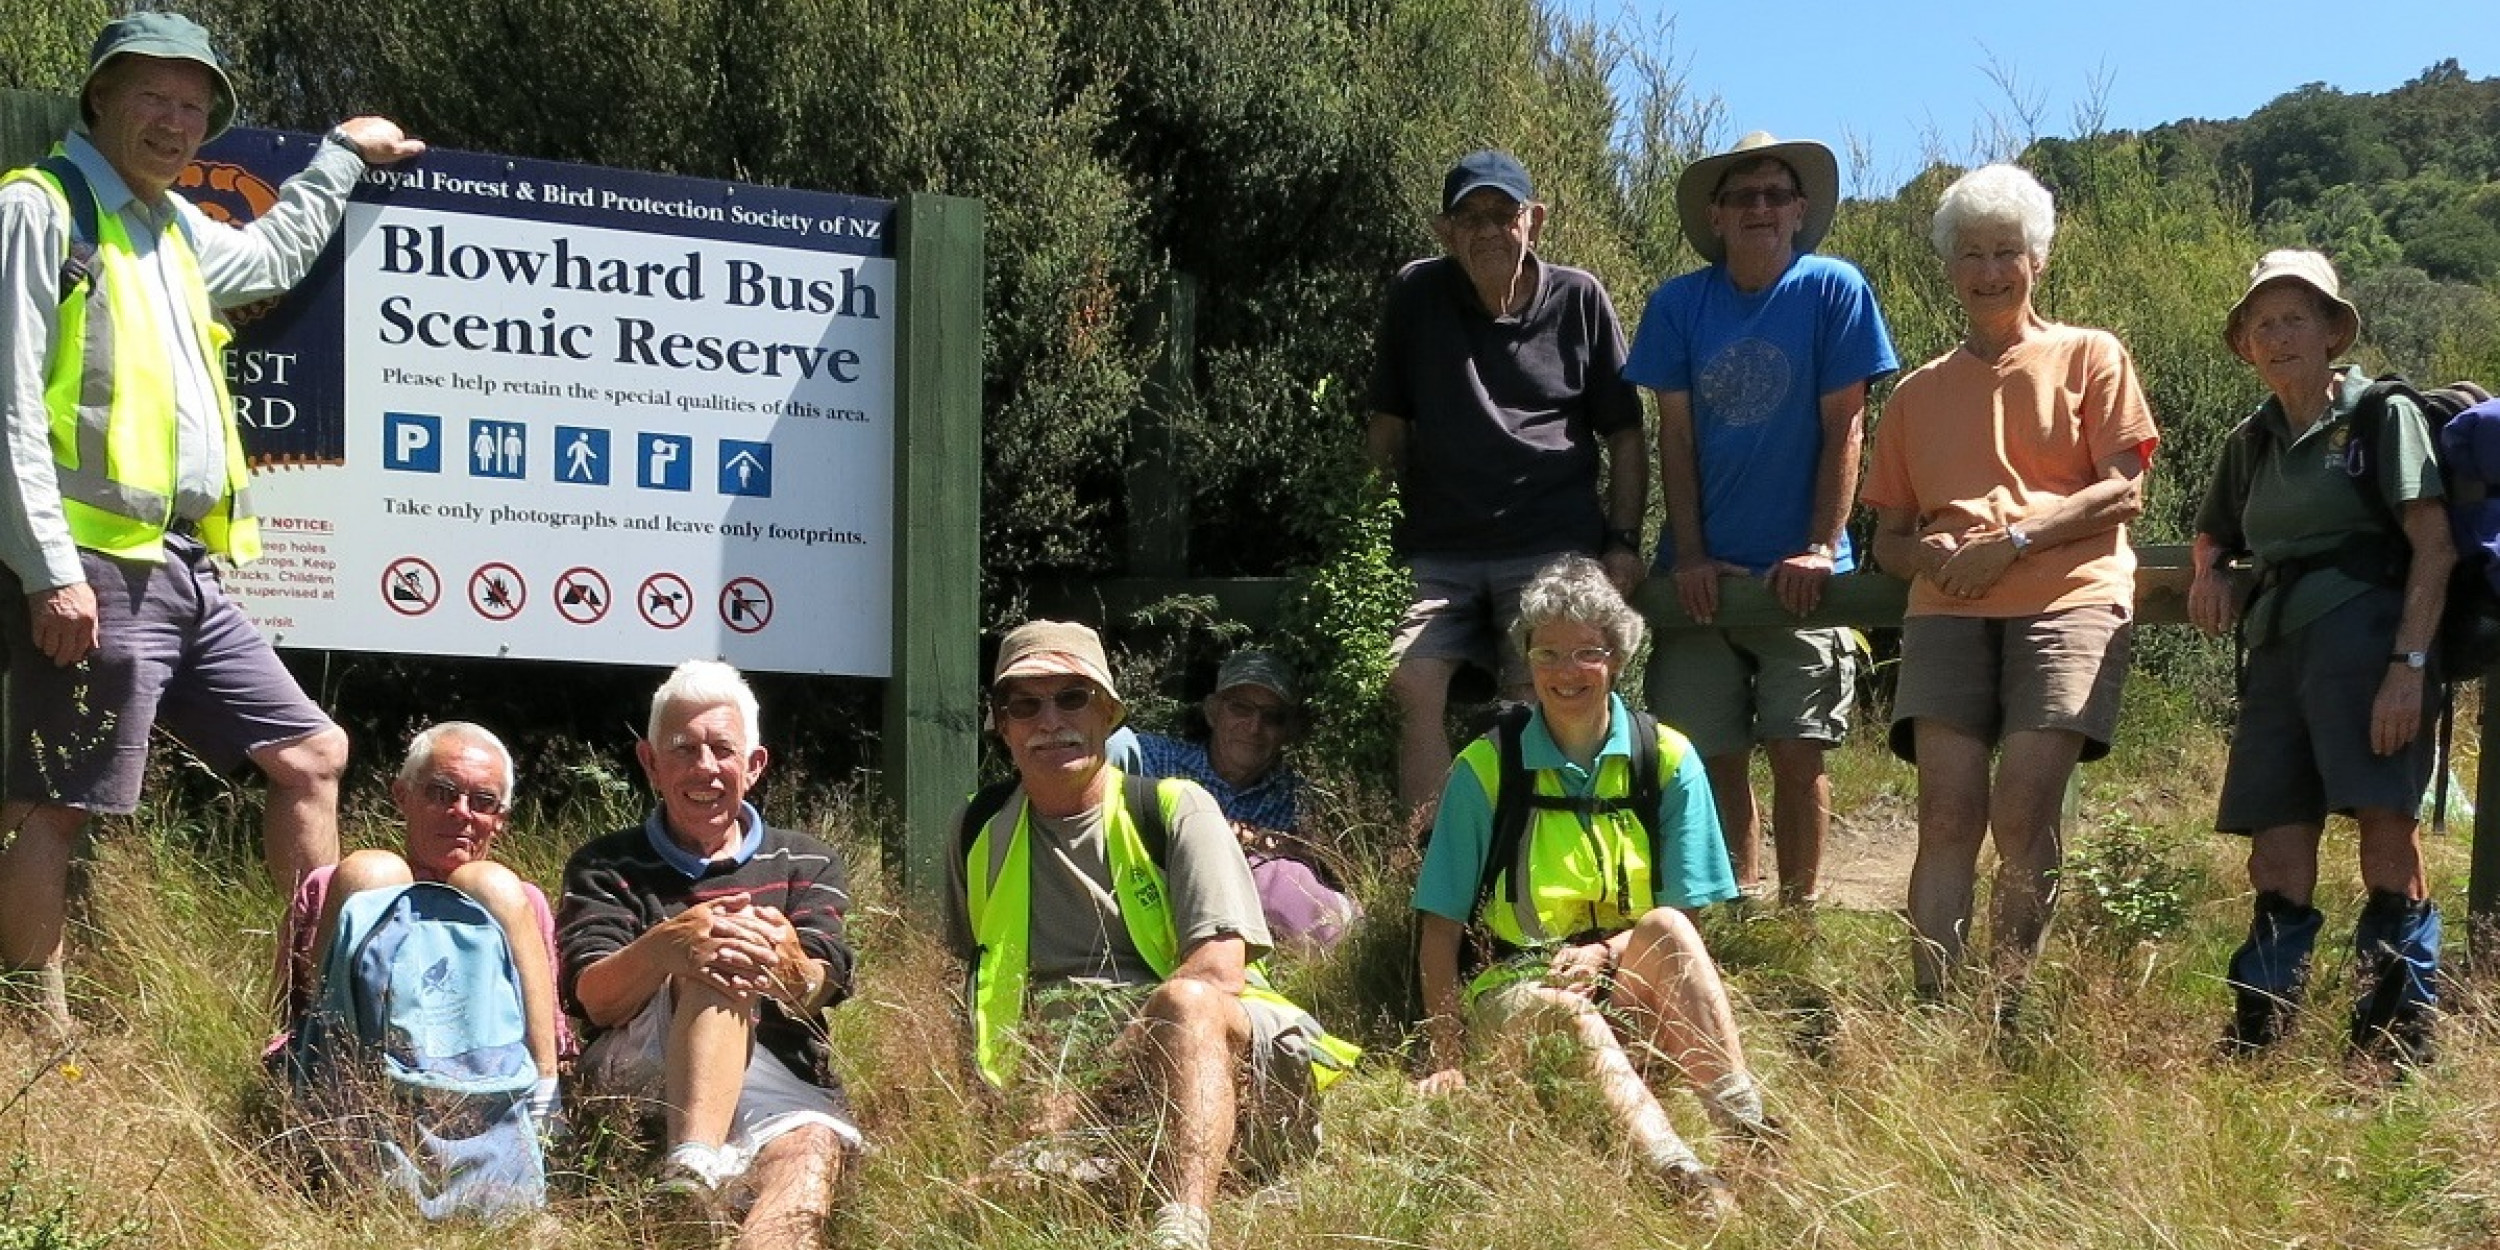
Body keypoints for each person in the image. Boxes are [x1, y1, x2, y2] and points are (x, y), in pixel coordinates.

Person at [0, 12, 424, 1033]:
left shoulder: (172, 226)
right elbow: (8, 400)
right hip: (93, 561)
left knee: (311, 752)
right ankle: (35, 1037)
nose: (174, 120)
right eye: (152, 95)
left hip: (187, 566)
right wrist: (48, 566)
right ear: (99, 98)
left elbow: (270, 255)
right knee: (56, 799)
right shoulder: (40, 208)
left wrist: (337, 158)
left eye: (193, 105)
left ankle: (311, 1014)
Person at [951, 621, 1352, 1250]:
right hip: (1063, 1072)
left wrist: (1080, 1099)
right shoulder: (980, 826)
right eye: (1024, 704)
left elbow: (1219, 974)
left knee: (1183, 1002)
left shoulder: (1175, 807)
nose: (1049, 720)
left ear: (1108, 713)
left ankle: (1183, 1224)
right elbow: (965, 976)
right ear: (1002, 726)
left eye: (1072, 698)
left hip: (1216, 1042)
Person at [1862, 164, 2158, 1007]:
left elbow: (2125, 489)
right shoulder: (1916, 394)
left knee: (2024, 815)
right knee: (1947, 818)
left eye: (2007, 253)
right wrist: (1932, 556)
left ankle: (2010, 1007)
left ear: (2038, 260)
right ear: (1950, 268)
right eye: (1973, 254)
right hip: (1947, 613)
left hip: (2068, 600)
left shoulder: (2091, 354)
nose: (1990, 271)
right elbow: (1886, 538)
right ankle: (1932, 1009)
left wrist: (2016, 540)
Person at [1412, 556, 1771, 1213]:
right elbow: (1439, 929)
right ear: (1527, 660)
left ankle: (1750, 1139)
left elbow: (1685, 912)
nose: (1564, 673)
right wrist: (1448, 1057)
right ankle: (1681, 1178)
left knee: (1664, 928)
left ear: (1618, 659)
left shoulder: (1666, 757)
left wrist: (1607, 952)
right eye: (1546, 653)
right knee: (1569, 1012)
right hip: (1517, 986)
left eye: (1585, 653)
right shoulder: (1485, 767)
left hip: (1631, 981)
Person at [2189, 249, 2452, 1066]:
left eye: (2295, 318)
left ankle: (2393, 1041)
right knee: (2275, 845)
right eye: (2262, 324)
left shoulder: (2380, 418)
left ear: (2333, 330)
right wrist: (2211, 573)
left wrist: (2407, 669)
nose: (2277, 336)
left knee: (2385, 832)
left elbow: (2434, 547)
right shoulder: (2253, 438)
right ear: (2246, 346)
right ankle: (2261, 1034)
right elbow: (2214, 530)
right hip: (2276, 655)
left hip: (2370, 647)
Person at [1625, 131, 1899, 906]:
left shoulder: (1833, 290)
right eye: (1743, 195)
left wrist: (1819, 546)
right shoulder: (1678, 304)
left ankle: (1800, 915)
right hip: (1703, 577)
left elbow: (1847, 423)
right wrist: (1692, 557)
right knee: (1710, 754)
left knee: (1798, 751)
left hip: (1803, 577)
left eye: (1776, 194)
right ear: (1716, 215)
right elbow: (1672, 435)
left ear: (1800, 209)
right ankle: (1737, 912)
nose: (1761, 208)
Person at [1366, 149, 1649, 819]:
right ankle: (1435, 872)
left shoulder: (1579, 297)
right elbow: (1386, 430)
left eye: (1503, 213)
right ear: (1444, 231)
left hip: (1551, 545)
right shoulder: (1416, 294)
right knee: (1408, 680)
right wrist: (1371, 550)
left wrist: (1624, 540)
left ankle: (1534, 868)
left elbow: (1627, 435)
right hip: (1439, 551)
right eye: (1470, 217)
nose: (1489, 231)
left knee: (1548, 687)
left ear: (1535, 221)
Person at [558, 661, 858, 1248]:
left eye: (722, 749)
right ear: (650, 763)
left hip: (777, 1072)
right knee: (715, 951)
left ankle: (710, 1206)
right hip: (640, 1065)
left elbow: (827, 978)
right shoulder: (604, 865)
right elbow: (592, 998)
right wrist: (670, 947)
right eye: (683, 749)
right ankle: (691, 1169)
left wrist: (790, 963)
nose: (705, 768)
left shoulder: (808, 861)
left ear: (754, 765)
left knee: (808, 1156)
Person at [269, 722, 566, 1117]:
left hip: (488, 1089)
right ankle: (332, 1092)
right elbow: (286, 1007)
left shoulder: (520, 902)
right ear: (402, 795)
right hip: (354, 1084)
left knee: (492, 884)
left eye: (482, 801)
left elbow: (552, 1030)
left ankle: (544, 1108)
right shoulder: (332, 886)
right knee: (371, 873)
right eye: (441, 793)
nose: (461, 812)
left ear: (500, 819)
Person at [1107, 649, 1359, 951]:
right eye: (1241, 709)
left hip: (1241, 940)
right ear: (1213, 712)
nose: (1254, 727)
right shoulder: (1154, 758)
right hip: (1148, 910)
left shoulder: (1302, 800)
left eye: (1272, 717)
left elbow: (1335, 876)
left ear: (1289, 730)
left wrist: (1292, 849)